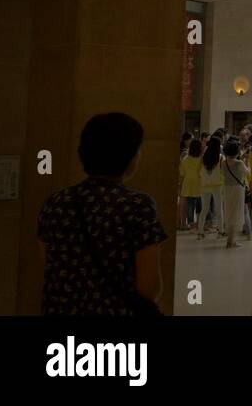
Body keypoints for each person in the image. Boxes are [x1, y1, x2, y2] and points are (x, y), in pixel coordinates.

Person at [37, 113, 166, 315]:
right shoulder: (137, 206)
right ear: (129, 156)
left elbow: (49, 268)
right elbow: (149, 288)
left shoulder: (56, 202)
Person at [222, 138, 251, 248]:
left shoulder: (224, 162)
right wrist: (247, 161)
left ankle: (230, 239)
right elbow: (248, 173)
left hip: (227, 189)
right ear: (237, 152)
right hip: (238, 189)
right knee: (236, 214)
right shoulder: (239, 163)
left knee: (229, 213)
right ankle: (231, 241)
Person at [199, 136, 224, 239]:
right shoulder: (221, 157)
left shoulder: (203, 157)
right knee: (219, 209)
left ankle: (200, 232)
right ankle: (221, 231)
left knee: (204, 209)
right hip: (217, 185)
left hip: (204, 185)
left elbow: (199, 170)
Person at [179, 138, 204, 230]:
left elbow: (182, 173)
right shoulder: (201, 159)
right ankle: (198, 223)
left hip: (187, 183)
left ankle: (186, 223)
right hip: (199, 183)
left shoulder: (185, 159)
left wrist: (180, 185)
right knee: (200, 205)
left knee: (187, 205)